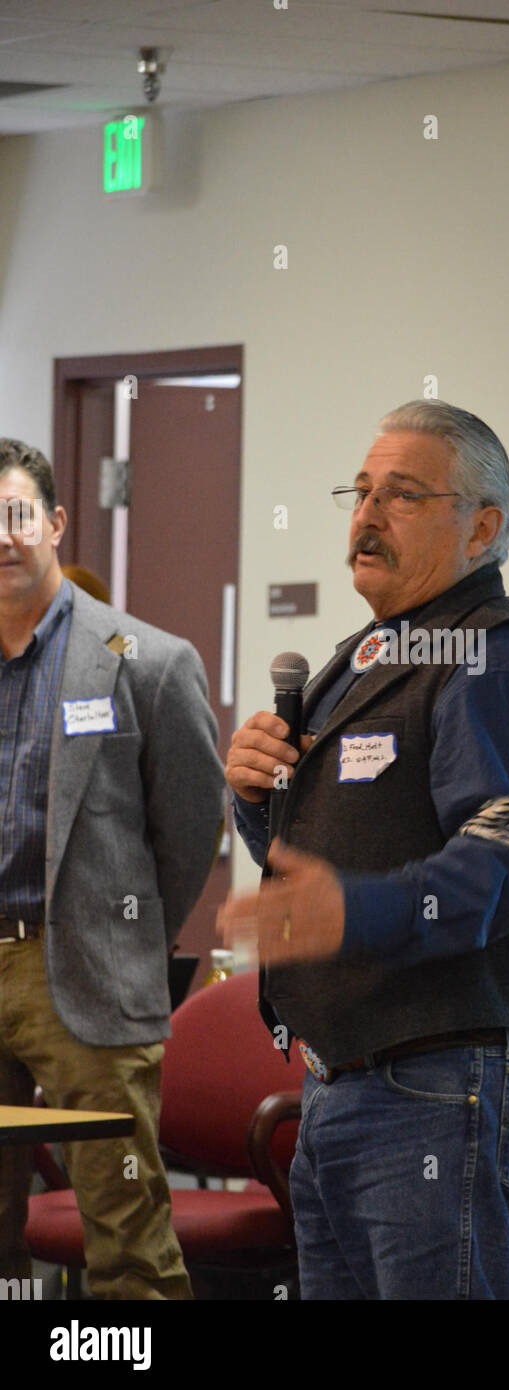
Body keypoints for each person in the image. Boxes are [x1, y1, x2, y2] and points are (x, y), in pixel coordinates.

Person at [221, 400, 509, 1300]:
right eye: (361, 491)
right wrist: (251, 800)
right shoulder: (362, 660)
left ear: (483, 529)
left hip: (443, 1091)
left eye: (403, 495)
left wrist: (350, 911)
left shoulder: (495, 663)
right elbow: (316, 852)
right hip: (341, 1087)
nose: (367, 514)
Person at [0, 438, 225, 1299]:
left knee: (126, 1244)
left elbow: (190, 826)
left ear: (56, 523)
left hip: (87, 968)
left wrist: (132, 939)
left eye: (20, 515)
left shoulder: (148, 662)